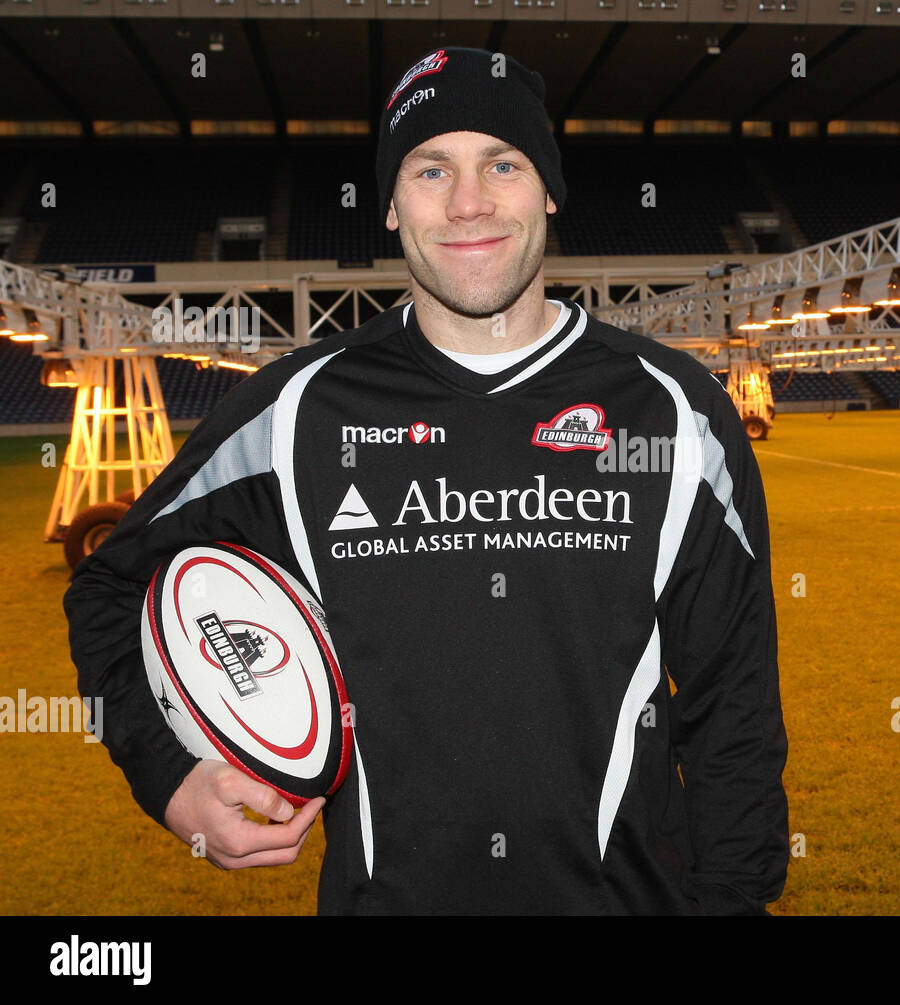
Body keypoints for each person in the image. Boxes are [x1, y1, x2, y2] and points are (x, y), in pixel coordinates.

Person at [64, 46, 789, 915]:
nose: (469, 201)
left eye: (504, 164)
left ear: (550, 190)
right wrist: (171, 780)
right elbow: (107, 589)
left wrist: (736, 901)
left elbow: (733, 707)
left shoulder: (678, 414)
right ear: (391, 206)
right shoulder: (297, 412)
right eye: (431, 168)